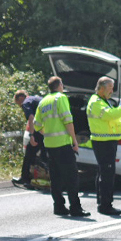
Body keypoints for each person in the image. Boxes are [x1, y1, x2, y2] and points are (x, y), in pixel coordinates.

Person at [33, 76, 88, 217]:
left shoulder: (43, 101)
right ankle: (75, 208)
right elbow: (68, 120)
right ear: (60, 85)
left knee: (56, 177)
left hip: (50, 145)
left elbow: (37, 125)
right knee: (72, 177)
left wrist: (48, 133)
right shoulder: (60, 98)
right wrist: (74, 140)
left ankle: (58, 206)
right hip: (63, 144)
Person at [86, 76, 121, 216]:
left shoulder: (103, 101)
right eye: (111, 87)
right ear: (102, 87)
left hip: (107, 142)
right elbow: (110, 115)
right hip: (103, 143)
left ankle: (103, 203)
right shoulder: (96, 102)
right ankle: (106, 205)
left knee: (104, 173)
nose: (112, 90)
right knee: (107, 174)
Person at [12, 89, 45, 188]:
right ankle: (41, 178)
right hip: (50, 129)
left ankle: (25, 178)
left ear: (20, 98)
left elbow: (31, 118)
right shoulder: (37, 98)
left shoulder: (26, 103)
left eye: (19, 104)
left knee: (30, 153)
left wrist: (31, 135)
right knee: (44, 154)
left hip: (40, 130)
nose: (20, 106)